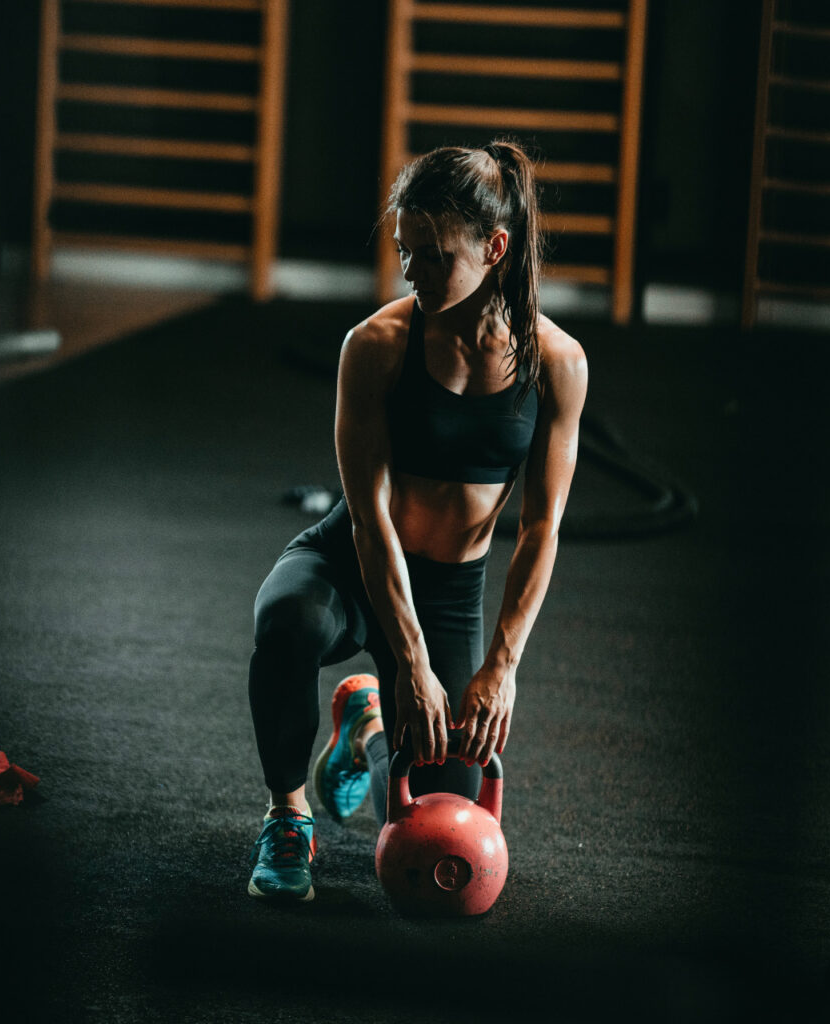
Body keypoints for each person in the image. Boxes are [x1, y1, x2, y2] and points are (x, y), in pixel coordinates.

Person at [246, 140, 588, 901]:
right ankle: (287, 814)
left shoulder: (557, 364)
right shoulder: (374, 347)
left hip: (448, 593)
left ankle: (365, 724)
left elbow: (541, 528)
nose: (411, 272)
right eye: (406, 252)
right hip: (352, 560)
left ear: (495, 248)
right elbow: (368, 520)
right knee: (287, 620)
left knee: (435, 810)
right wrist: (414, 665)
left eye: (433, 256)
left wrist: (502, 667)